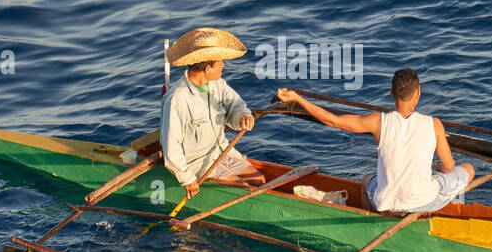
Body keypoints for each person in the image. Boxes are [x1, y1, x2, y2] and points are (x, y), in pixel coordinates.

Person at [277, 68, 474, 212]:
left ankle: (370, 219)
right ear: (418, 94)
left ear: (391, 94)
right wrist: (436, 168)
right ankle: (451, 213)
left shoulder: (377, 122)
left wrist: (298, 99)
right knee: (468, 169)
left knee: (365, 181)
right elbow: (449, 166)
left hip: (384, 202)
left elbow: (333, 121)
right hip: (424, 201)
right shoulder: (434, 124)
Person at [161, 27, 265, 198]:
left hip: (222, 151)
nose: (223, 65)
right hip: (197, 165)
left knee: (259, 180)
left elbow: (236, 104)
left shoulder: (217, 84)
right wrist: (187, 179)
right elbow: (171, 149)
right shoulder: (177, 100)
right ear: (208, 68)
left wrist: (242, 117)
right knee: (245, 189)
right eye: (221, 62)